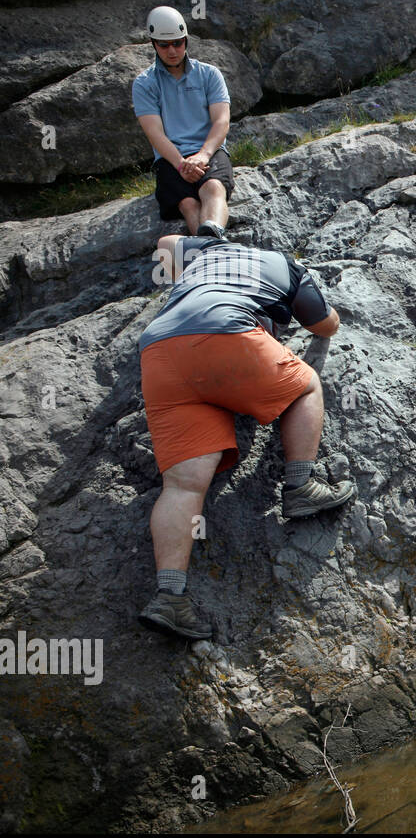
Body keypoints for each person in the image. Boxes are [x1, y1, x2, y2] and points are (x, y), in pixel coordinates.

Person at [137, 234, 357, 640]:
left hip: (158, 349)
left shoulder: (201, 254)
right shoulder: (285, 266)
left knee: (184, 486)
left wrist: (192, 260)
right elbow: (326, 325)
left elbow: (166, 241)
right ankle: (301, 486)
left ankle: (169, 596)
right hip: (224, 331)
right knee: (306, 385)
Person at [132, 5, 234, 239]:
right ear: (153, 44)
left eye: (177, 43)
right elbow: (154, 133)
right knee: (187, 203)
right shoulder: (144, 83)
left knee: (213, 188)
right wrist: (180, 164)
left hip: (209, 151)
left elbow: (221, 121)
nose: (172, 51)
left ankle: (210, 238)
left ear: (186, 40)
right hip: (170, 158)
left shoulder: (209, 74)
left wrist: (203, 155)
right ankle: (213, 245)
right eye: (164, 45)